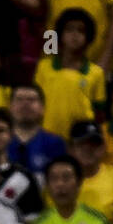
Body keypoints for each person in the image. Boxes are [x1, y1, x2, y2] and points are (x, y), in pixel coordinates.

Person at [34, 8, 106, 139]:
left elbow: (99, 113)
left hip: (81, 139)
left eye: (81, 30)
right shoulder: (44, 67)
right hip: (47, 135)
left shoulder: (96, 72)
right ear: (60, 35)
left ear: (88, 37)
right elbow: (36, 104)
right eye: (69, 29)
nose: (75, 35)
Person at [32, 154, 112, 224]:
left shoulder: (97, 220)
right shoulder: (39, 223)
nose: (60, 184)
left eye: (66, 178)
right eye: (54, 178)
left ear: (79, 182)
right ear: (47, 185)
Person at [7, 82, 66, 180]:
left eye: (31, 100)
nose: (25, 104)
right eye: (19, 99)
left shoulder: (56, 143)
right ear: (10, 107)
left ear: (42, 108)